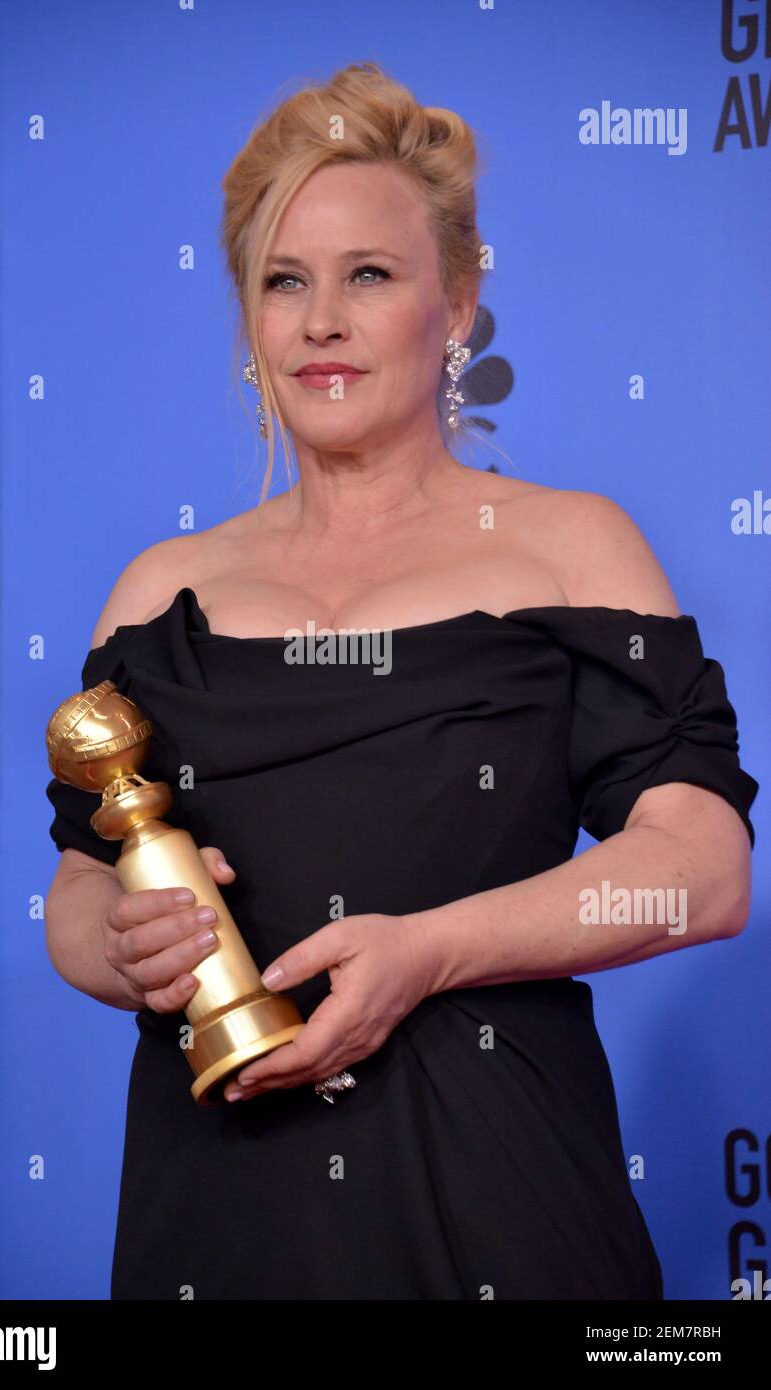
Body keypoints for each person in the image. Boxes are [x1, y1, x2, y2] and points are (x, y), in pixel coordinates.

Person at [45, 62, 759, 1300]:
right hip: (212, 1209)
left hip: (501, 1195)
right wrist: (127, 946)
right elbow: (75, 892)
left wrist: (429, 952)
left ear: (460, 301)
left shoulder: (571, 545)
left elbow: (701, 869)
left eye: (367, 274)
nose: (319, 321)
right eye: (284, 281)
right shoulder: (156, 591)